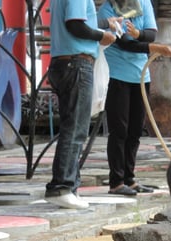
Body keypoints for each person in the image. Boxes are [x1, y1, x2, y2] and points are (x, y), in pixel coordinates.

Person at [97, 0, 171, 196]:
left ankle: (129, 179)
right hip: (117, 75)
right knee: (120, 130)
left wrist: (138, 35)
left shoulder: (143, 4)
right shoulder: (107, 9)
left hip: (140, 76)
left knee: (135, 130)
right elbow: (125, 43)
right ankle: (116, 182)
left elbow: (150, 33)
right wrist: (155, 48)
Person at [45, 0, 117, 209]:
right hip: (76, 64)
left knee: (73, 127)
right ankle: (62, 187)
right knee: (75, 128)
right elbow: (75, 25)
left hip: (64, 63)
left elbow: (79, 19)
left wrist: (104, 23)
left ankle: (68, 186)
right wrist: (101, 36)